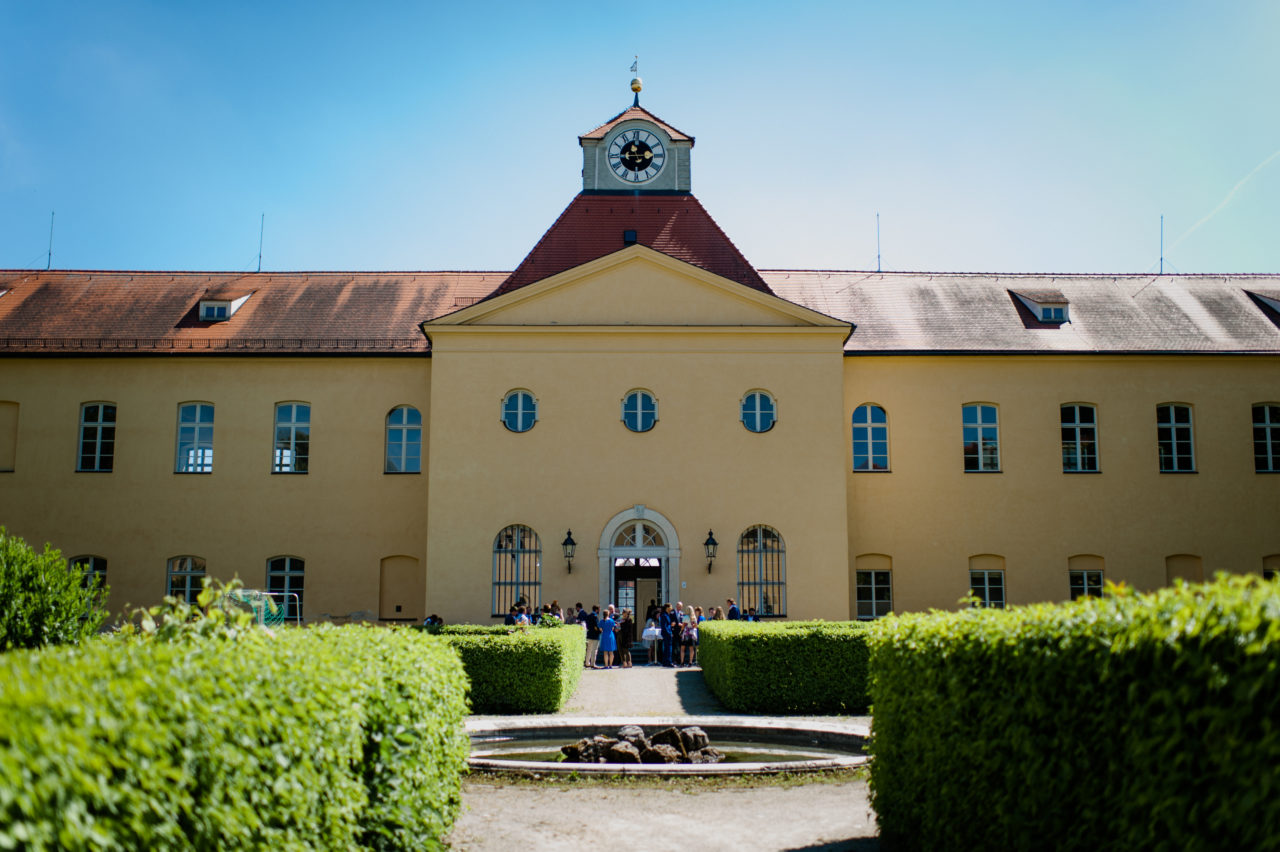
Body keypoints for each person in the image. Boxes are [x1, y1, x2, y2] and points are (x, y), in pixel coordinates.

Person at [659, 603, 676, 667]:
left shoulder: (666, 615)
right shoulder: (664, 615)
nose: (672, 608)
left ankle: (666, 662)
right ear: (667, 608)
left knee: (667, 648)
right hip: (667, 634)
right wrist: (669, 633)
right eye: (670, 607)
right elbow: (664, 626)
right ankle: (668, 661)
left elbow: (667, 624)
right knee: (668, 648)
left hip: (667, 632)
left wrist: (671, 625)